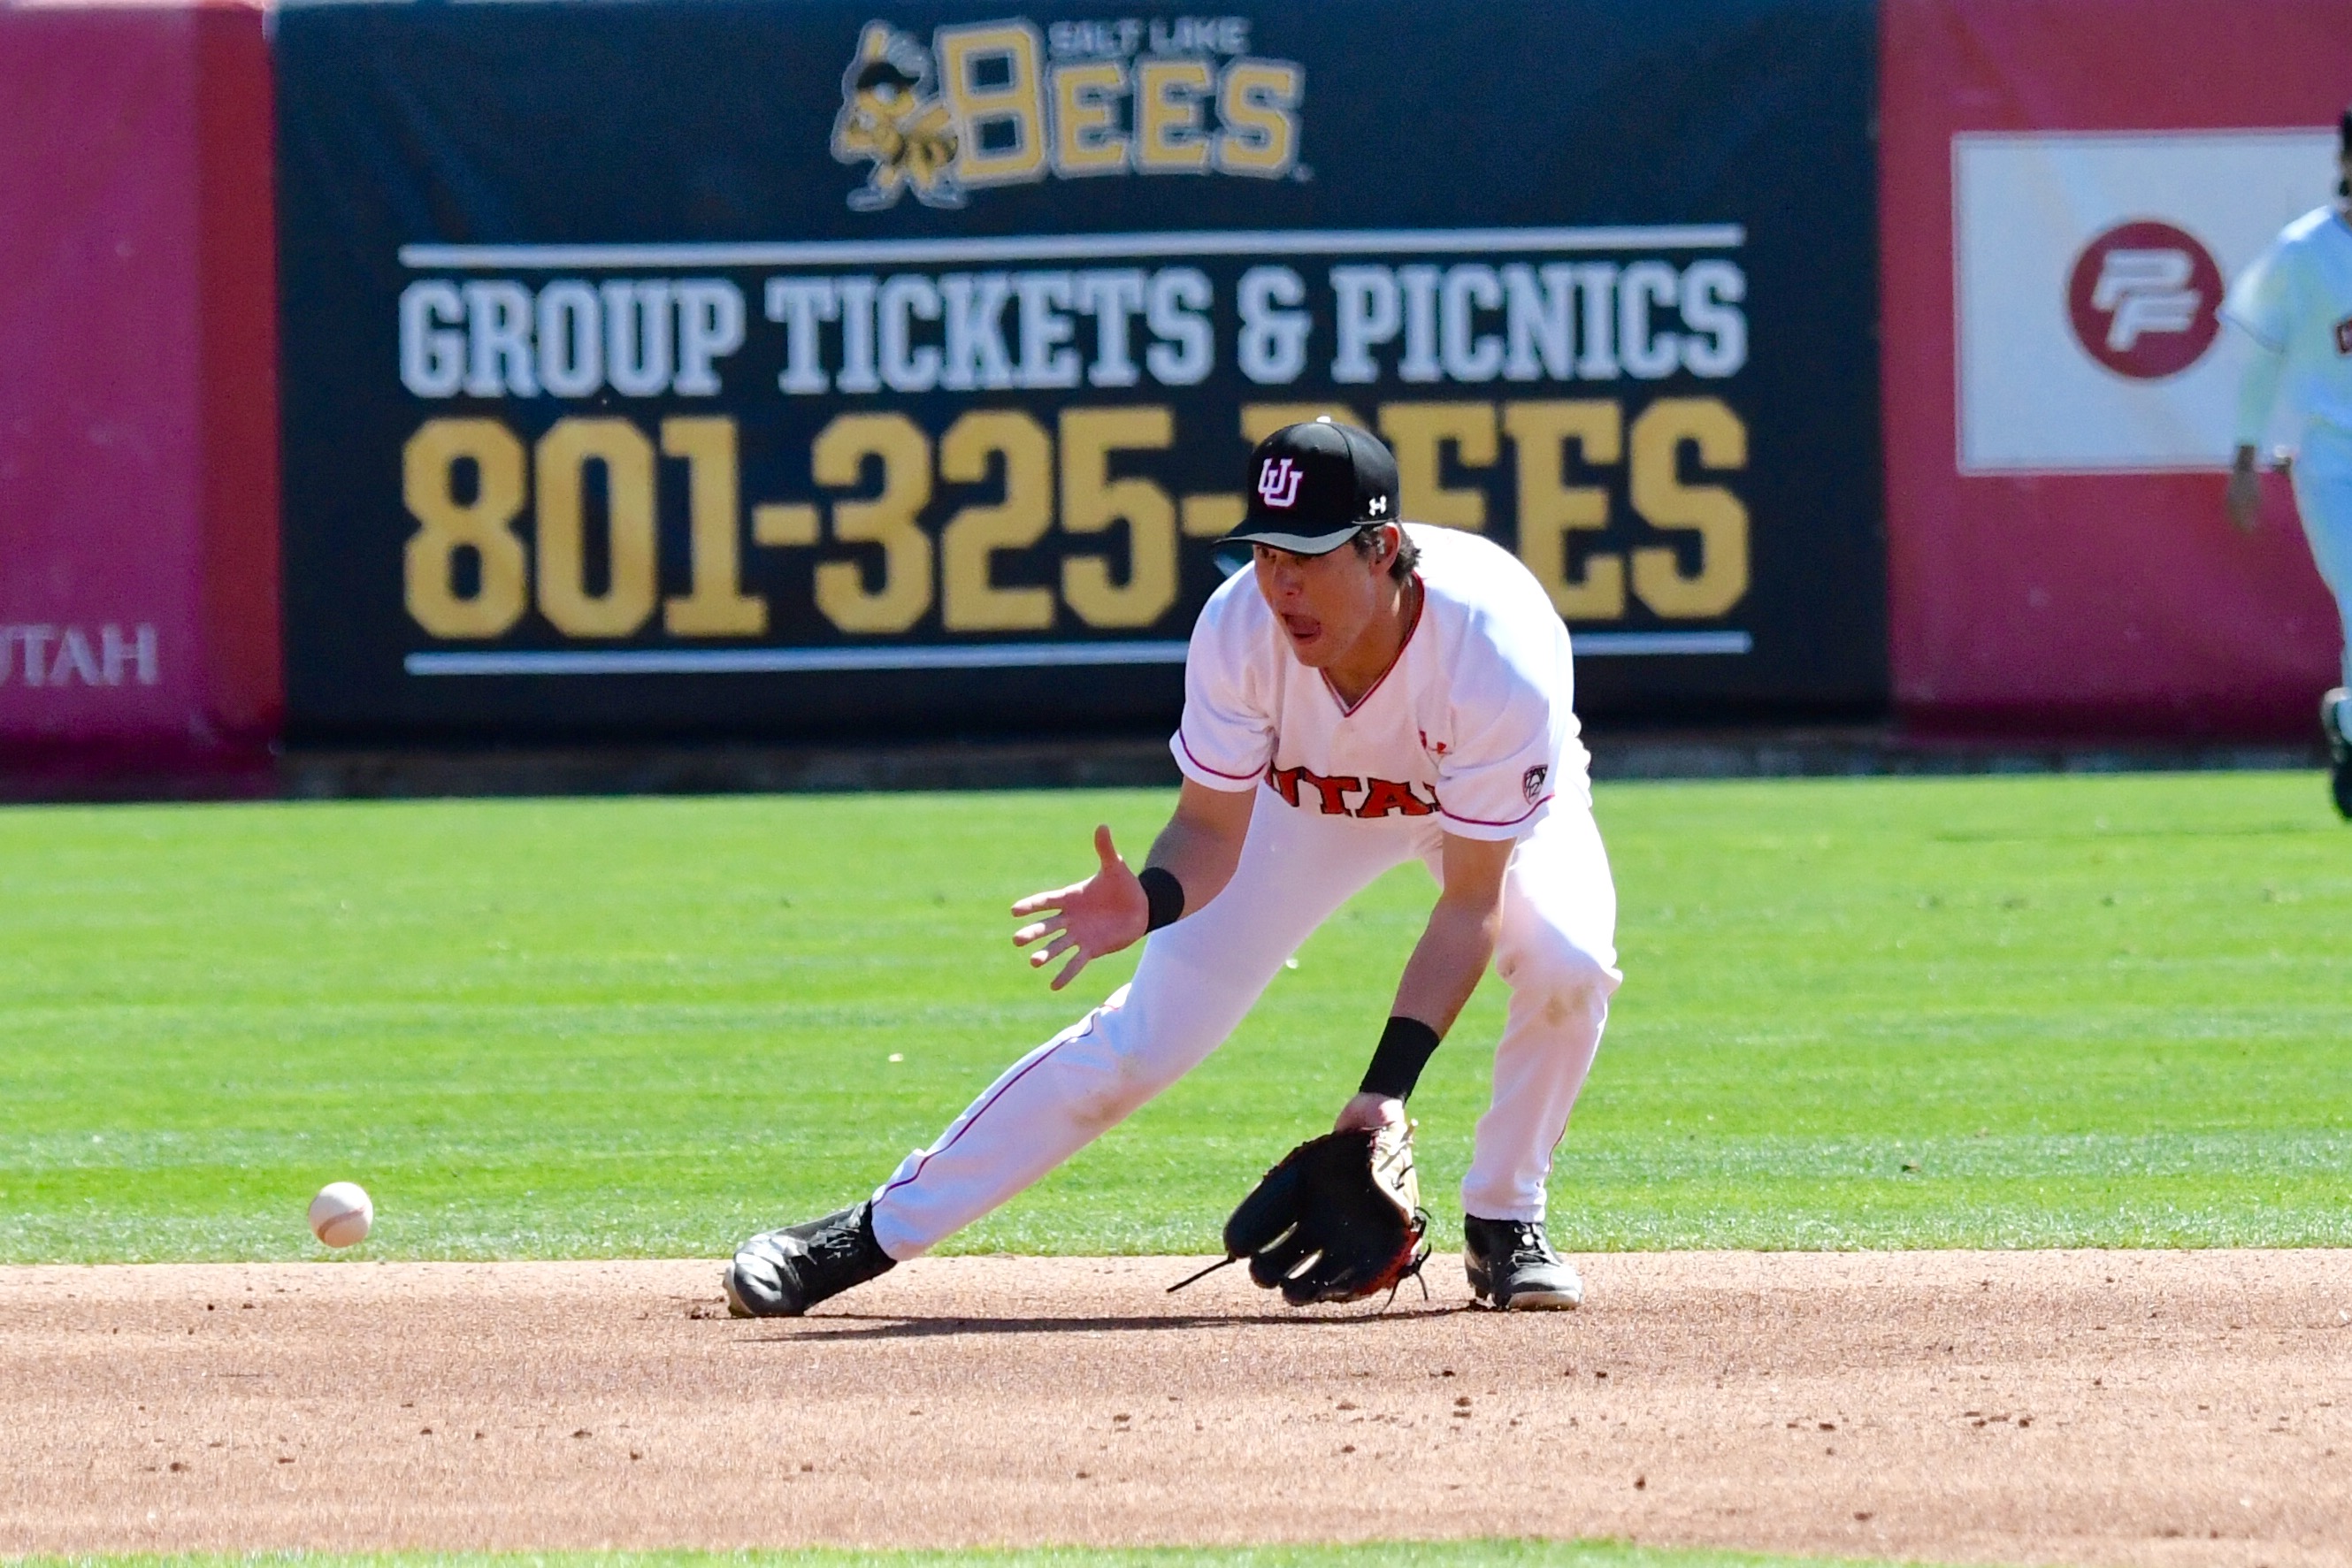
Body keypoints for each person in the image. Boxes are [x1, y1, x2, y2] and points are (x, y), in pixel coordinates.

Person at [724, 417, 1620, 1317]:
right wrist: (1151, 900)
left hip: (1484, 806)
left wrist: (1382, 1093)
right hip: (1304, 809)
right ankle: (858, 1239)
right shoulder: (1240, 629)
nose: (1280, 583)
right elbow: (1207, 833)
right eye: (1265, 552)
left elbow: (1470, 903)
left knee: (1567, 965)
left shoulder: (1491, 648)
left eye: (1306, 556)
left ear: (1383, 548)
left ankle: (1505, 1220)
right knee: (1138, 1044)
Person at [2224, 104, 2352, 818]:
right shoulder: (2304, 250)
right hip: (2331, 460)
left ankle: (2348, 723)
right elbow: (2261, 354)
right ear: (2344, 164)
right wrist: (2243, 457)